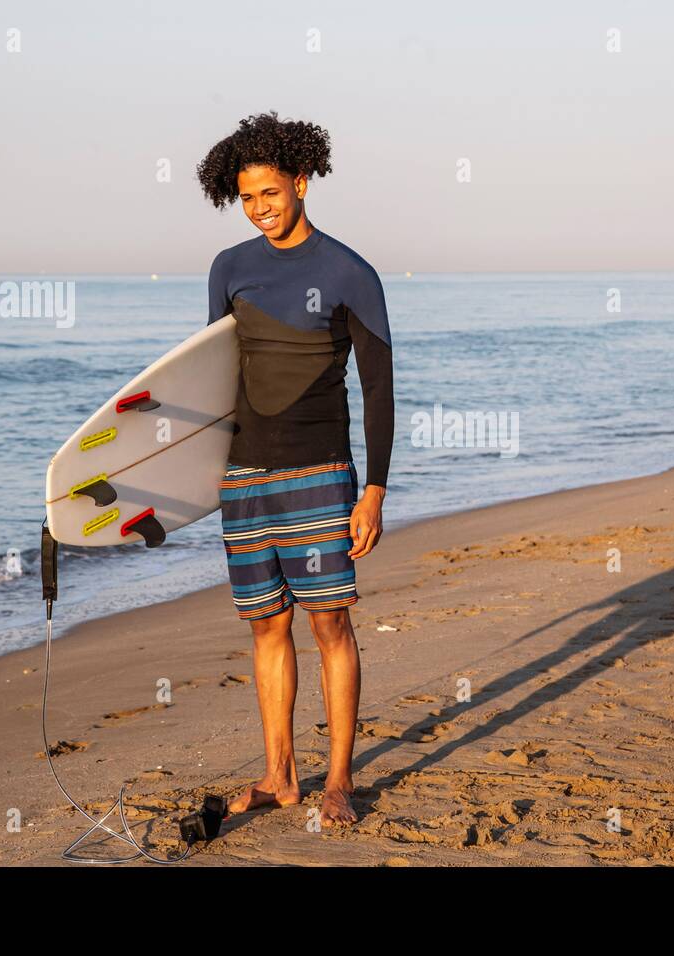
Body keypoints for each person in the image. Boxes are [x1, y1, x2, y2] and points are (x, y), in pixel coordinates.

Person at [197, 111, 393, 827]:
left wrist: (372, 491)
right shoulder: (229, 269)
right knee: (265, 627)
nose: (260, 209)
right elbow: (210, 377)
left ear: (302, 183)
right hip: (245, 476)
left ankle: (338, 777)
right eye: (247, 198)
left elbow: (379, 387)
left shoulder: (348, 272)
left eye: (271, 194)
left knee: (329, 624)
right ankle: (280, 775)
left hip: (318, 471)